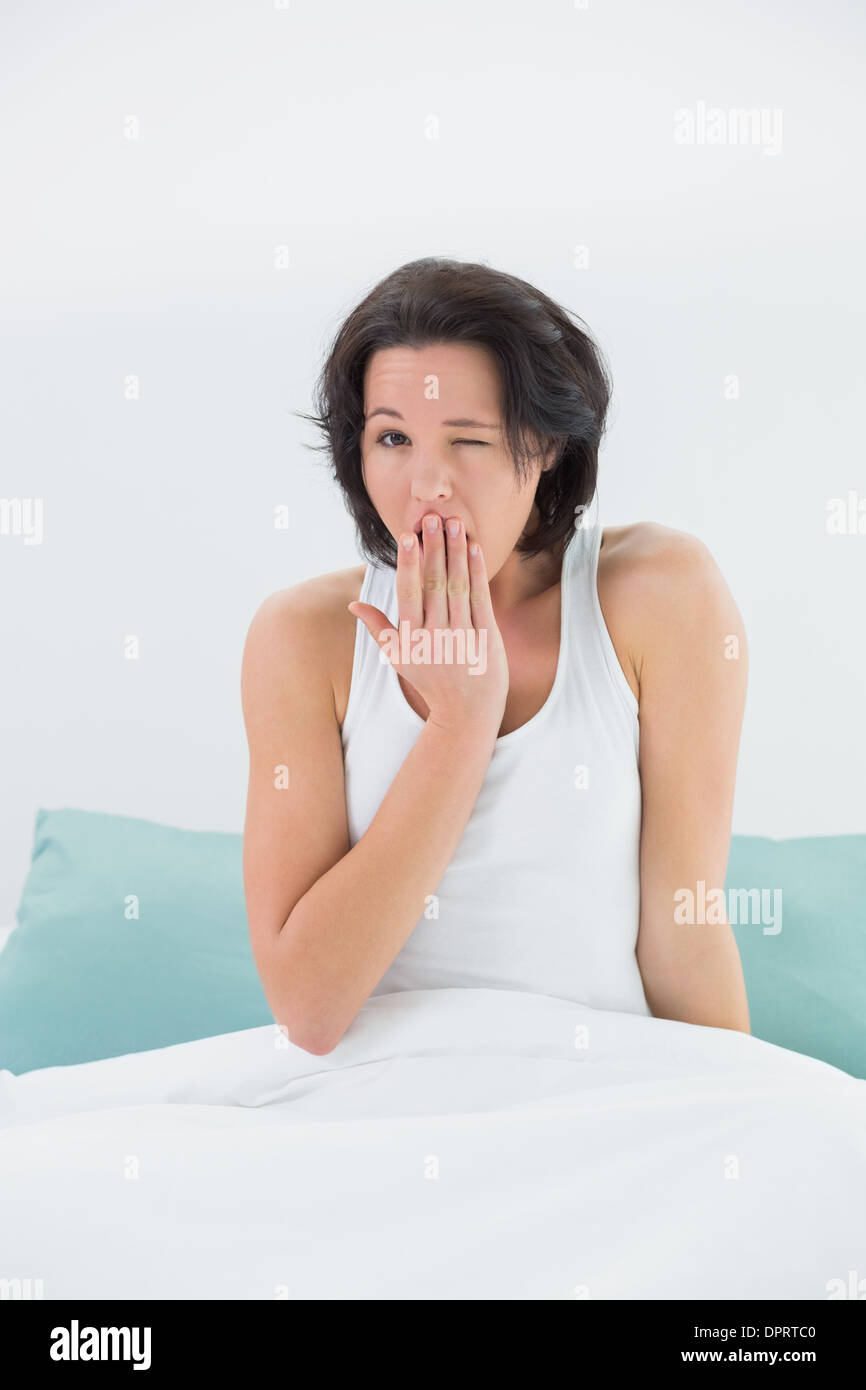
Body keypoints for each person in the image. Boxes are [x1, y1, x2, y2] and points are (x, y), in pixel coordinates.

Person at [240, 256, 750, 1056]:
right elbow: (308, 1008)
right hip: (371, 1105)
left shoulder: (662, 596)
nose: (427, 484)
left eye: (468, 440)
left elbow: (684, 933)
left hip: (601, 1092)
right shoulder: (301, 638)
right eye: (393, 437)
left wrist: (740, 1122)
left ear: (546, 444)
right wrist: (460, 721)